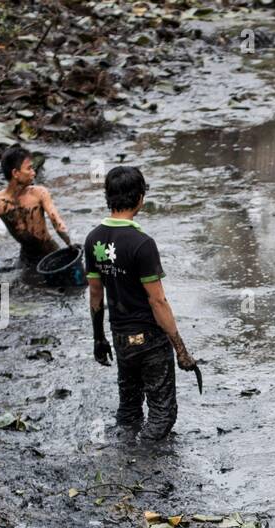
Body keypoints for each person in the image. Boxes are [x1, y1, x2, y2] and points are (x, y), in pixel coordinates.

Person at [83, 166, 198, 443]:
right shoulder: (142, 244)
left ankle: (123, 458)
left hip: (120, 337)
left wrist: (99, 339)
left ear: (108, 197)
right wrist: (180, 349)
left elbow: (96, 295)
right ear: (140, 198)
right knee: (162, 415)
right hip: (150, 340)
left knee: (129, 412)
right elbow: (157, 301)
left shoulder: (93, 239)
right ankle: (143, 460)